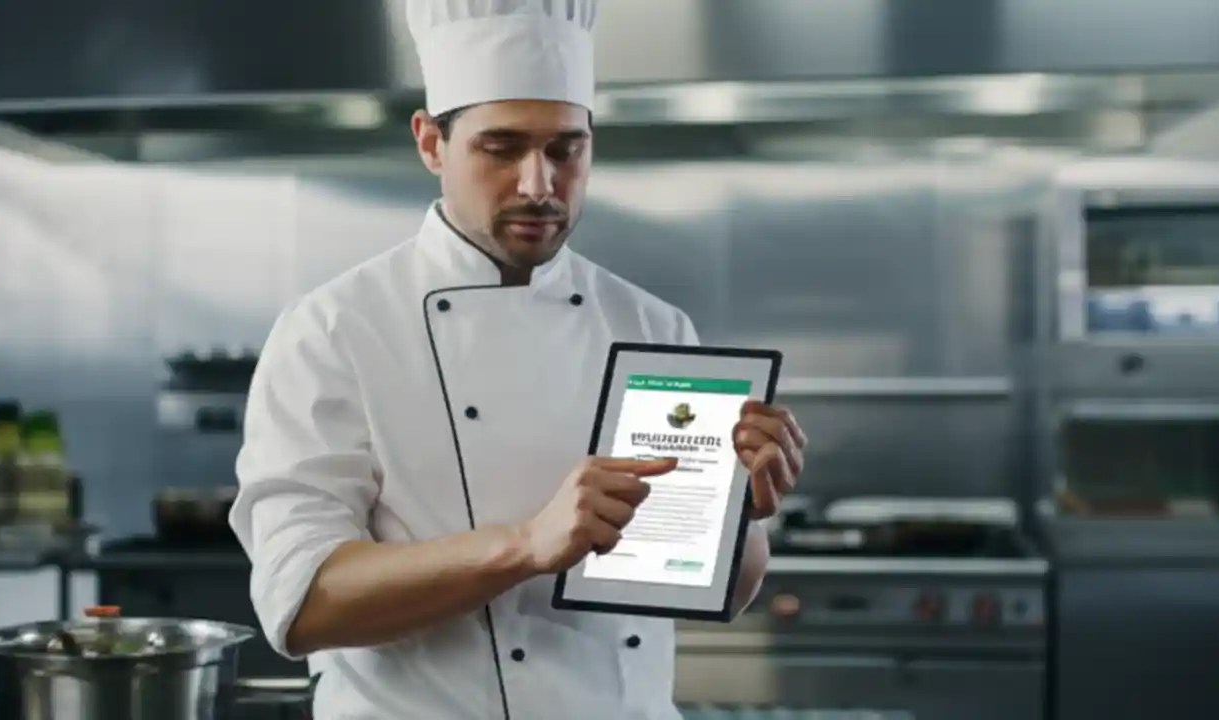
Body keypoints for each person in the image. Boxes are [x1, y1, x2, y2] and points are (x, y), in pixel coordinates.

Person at [228, 1, 807, 718]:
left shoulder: (653, 323)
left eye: (566, 149)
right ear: (431, 143)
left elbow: (720, 596)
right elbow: (303, 604)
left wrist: (736, 516)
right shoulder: (334, 330)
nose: (540, 185)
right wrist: (528, 545)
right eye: (501, 148)